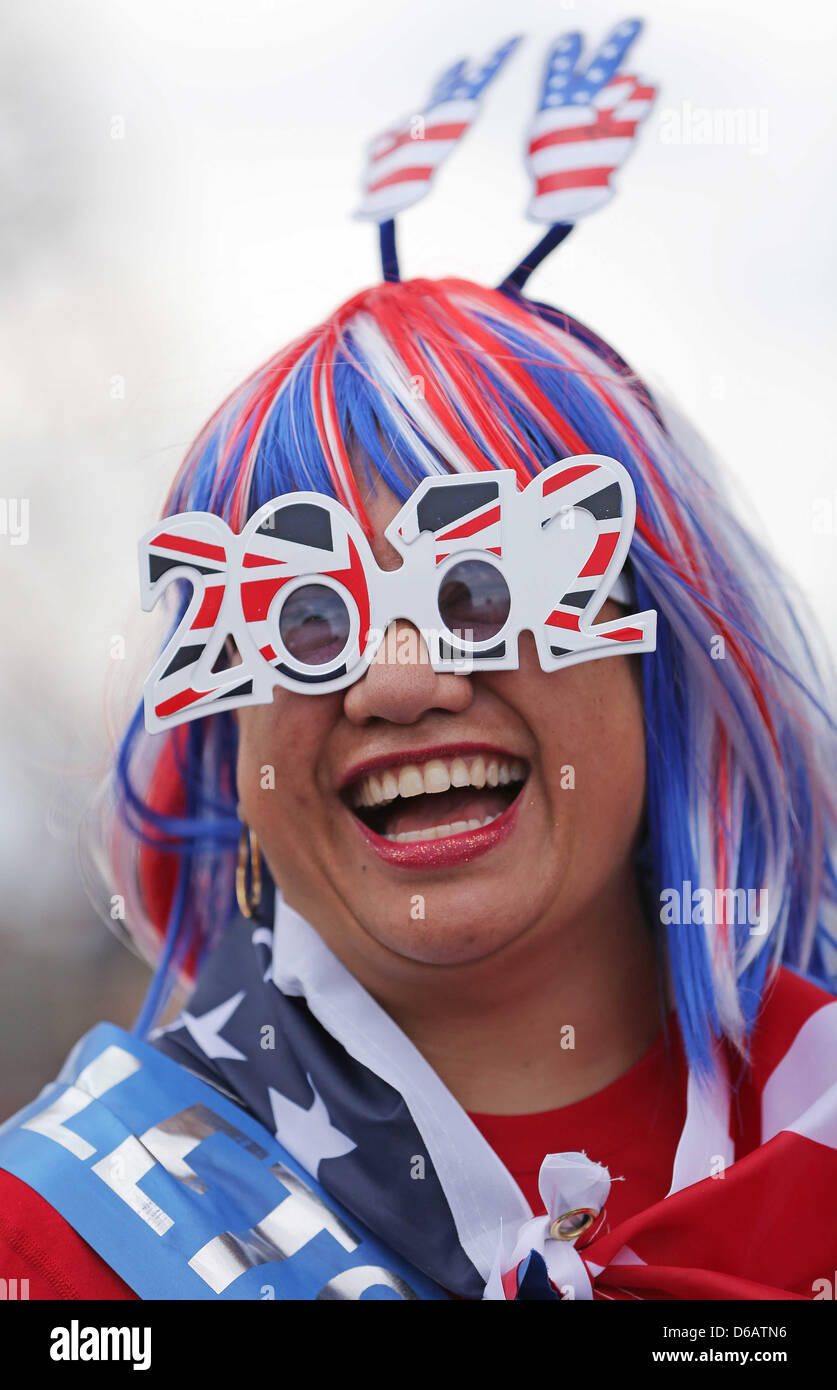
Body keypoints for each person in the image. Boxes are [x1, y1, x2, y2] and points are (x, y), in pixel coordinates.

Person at [1, 21, 836, 1303]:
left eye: (482, 592)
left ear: (657, 657)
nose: (397, 682)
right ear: (227, 728)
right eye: (303, 619)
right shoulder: (58, 1248)